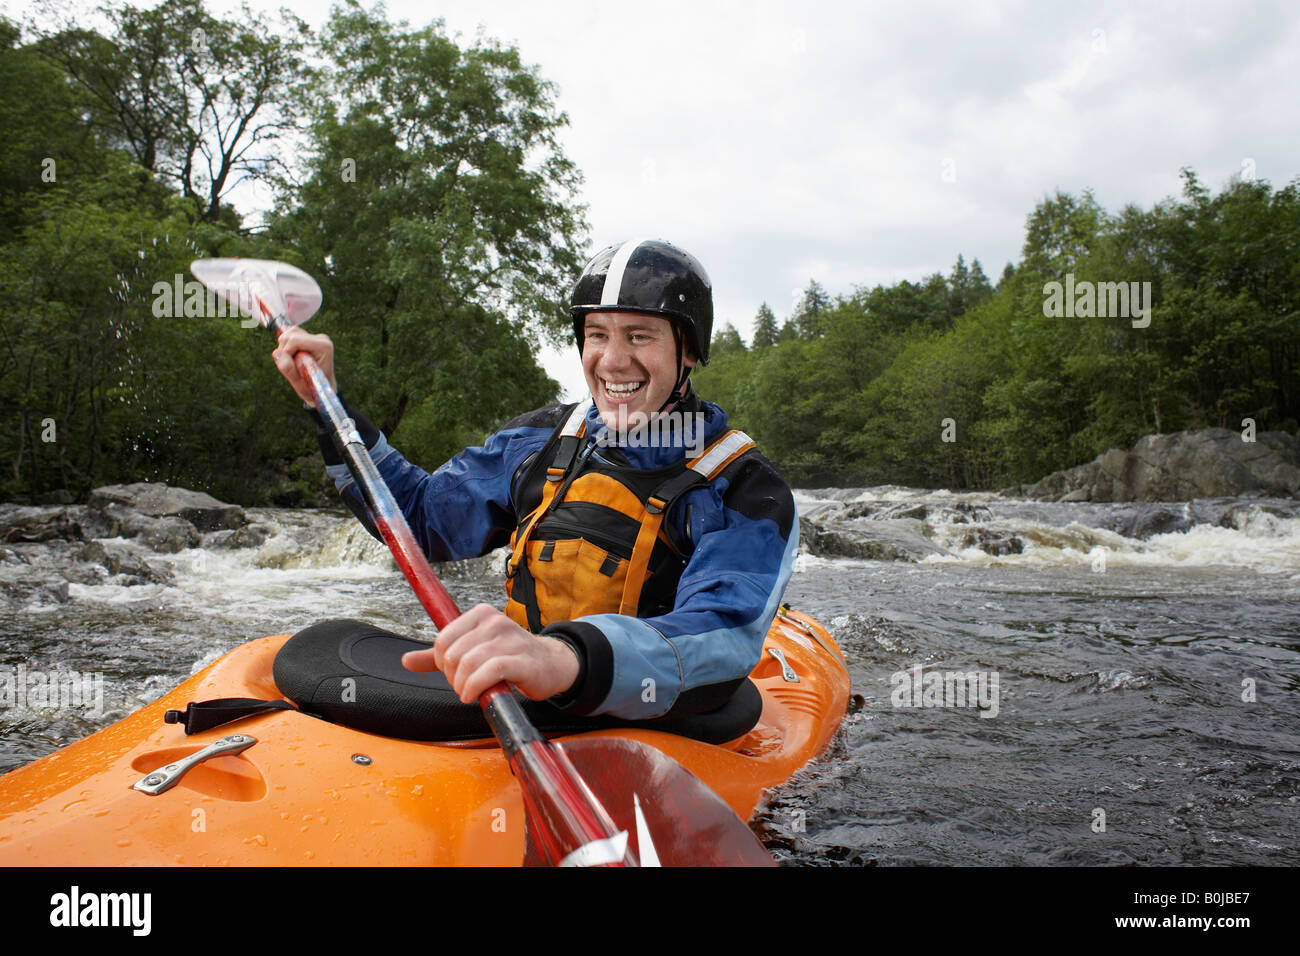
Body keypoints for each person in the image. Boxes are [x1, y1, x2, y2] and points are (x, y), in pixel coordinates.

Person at [272, 238, 797, 723]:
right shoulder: (540, 439)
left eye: (639, 336)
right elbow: (420, 521)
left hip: (652, 714)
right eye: (597, 335)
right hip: (530, 694)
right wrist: (330, 408)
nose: (613, 361)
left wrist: (562, 656)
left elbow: (722, 631)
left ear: (688, 351)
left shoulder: (745, 489)